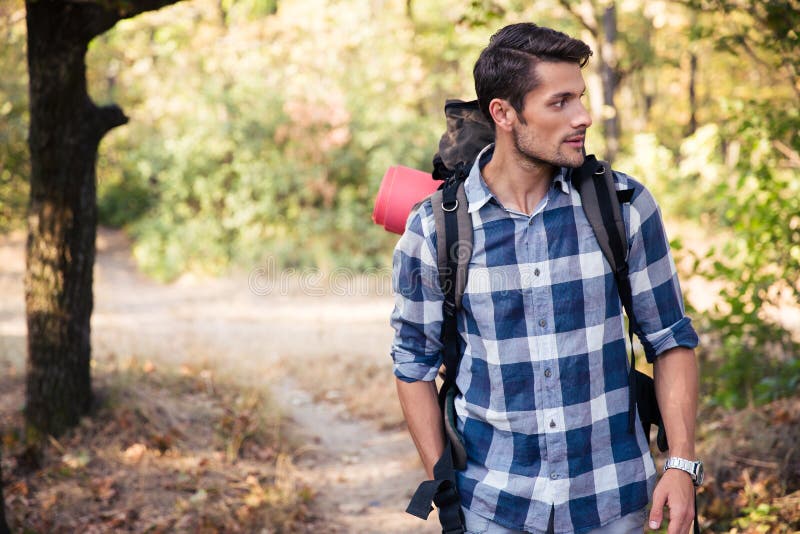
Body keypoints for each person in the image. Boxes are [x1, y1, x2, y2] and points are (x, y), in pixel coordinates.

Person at [390, 22, 701, 534]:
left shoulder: (623, 207)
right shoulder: (435, 229)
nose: (583, 117)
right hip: (493, 508)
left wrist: (681, 464)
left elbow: (670, 339)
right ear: (503, 114)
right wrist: (446, 493)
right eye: (560, 103)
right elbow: (413, 365)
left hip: (615, 505)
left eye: (580, 98)